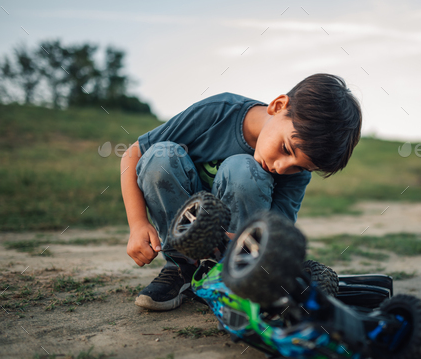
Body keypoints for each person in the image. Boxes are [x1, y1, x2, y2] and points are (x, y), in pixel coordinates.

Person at [120, 73, 362, 311]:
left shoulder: (295, 173)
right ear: (278, 106)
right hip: (187, 229)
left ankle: (230, 277)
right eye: (286, 148)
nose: (282, 166)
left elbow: (278, 229)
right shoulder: (218, 112)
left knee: (244, 170)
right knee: (160, 157)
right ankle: (181, 267)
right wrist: (138, 223)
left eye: (299, 166)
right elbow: (134, 153)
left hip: (236, 254)